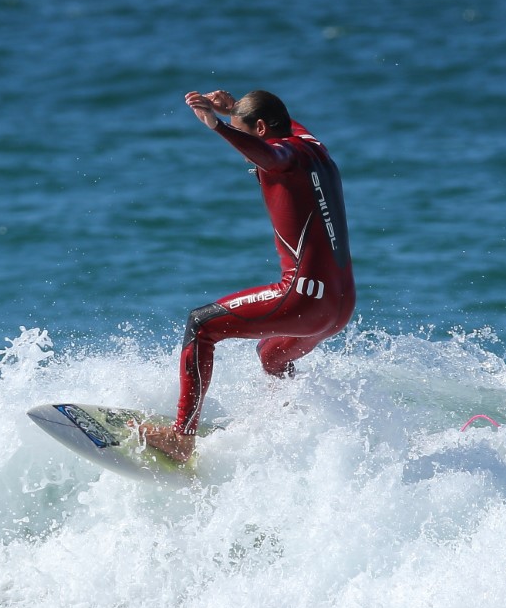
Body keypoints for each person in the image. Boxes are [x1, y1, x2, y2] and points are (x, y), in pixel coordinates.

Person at [139, 89, 356, 463]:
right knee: (272, 356)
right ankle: (290, 428)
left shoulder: (282, 157)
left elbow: (270, 154)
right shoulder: (312, 146)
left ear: (260, 129)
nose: (244, 152)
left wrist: (218, 126)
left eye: (245, 135)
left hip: (302, 298)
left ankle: (181, 438)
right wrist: (233, 110)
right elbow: (282, 129)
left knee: (200, 325)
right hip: (340, 306)